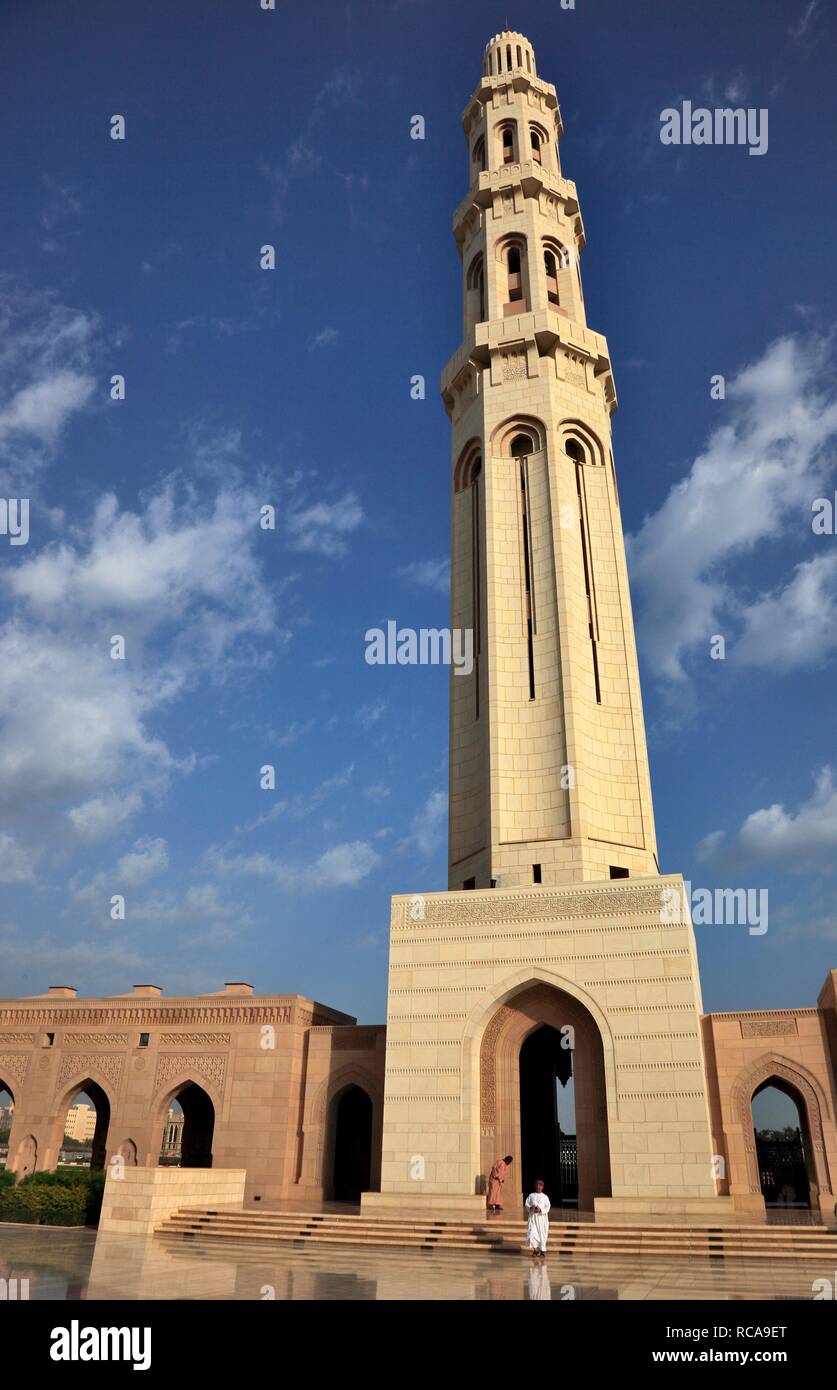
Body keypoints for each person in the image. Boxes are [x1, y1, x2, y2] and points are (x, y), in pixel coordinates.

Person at [525, 1180, 550, 1256]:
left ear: (542, 1187)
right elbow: (526, 1204)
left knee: (542, 1234)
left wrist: (541, 1210)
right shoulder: (531, 1195)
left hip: (542, 1219)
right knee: (532, 1234)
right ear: (535, 1186)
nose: (538, 1187)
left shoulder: (545, 1197)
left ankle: (542, 1250)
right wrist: (531, 1208)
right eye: (537, 1185)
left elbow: (548, 1207)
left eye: (540, 1186)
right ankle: (535, 1250)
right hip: (533, 1218)